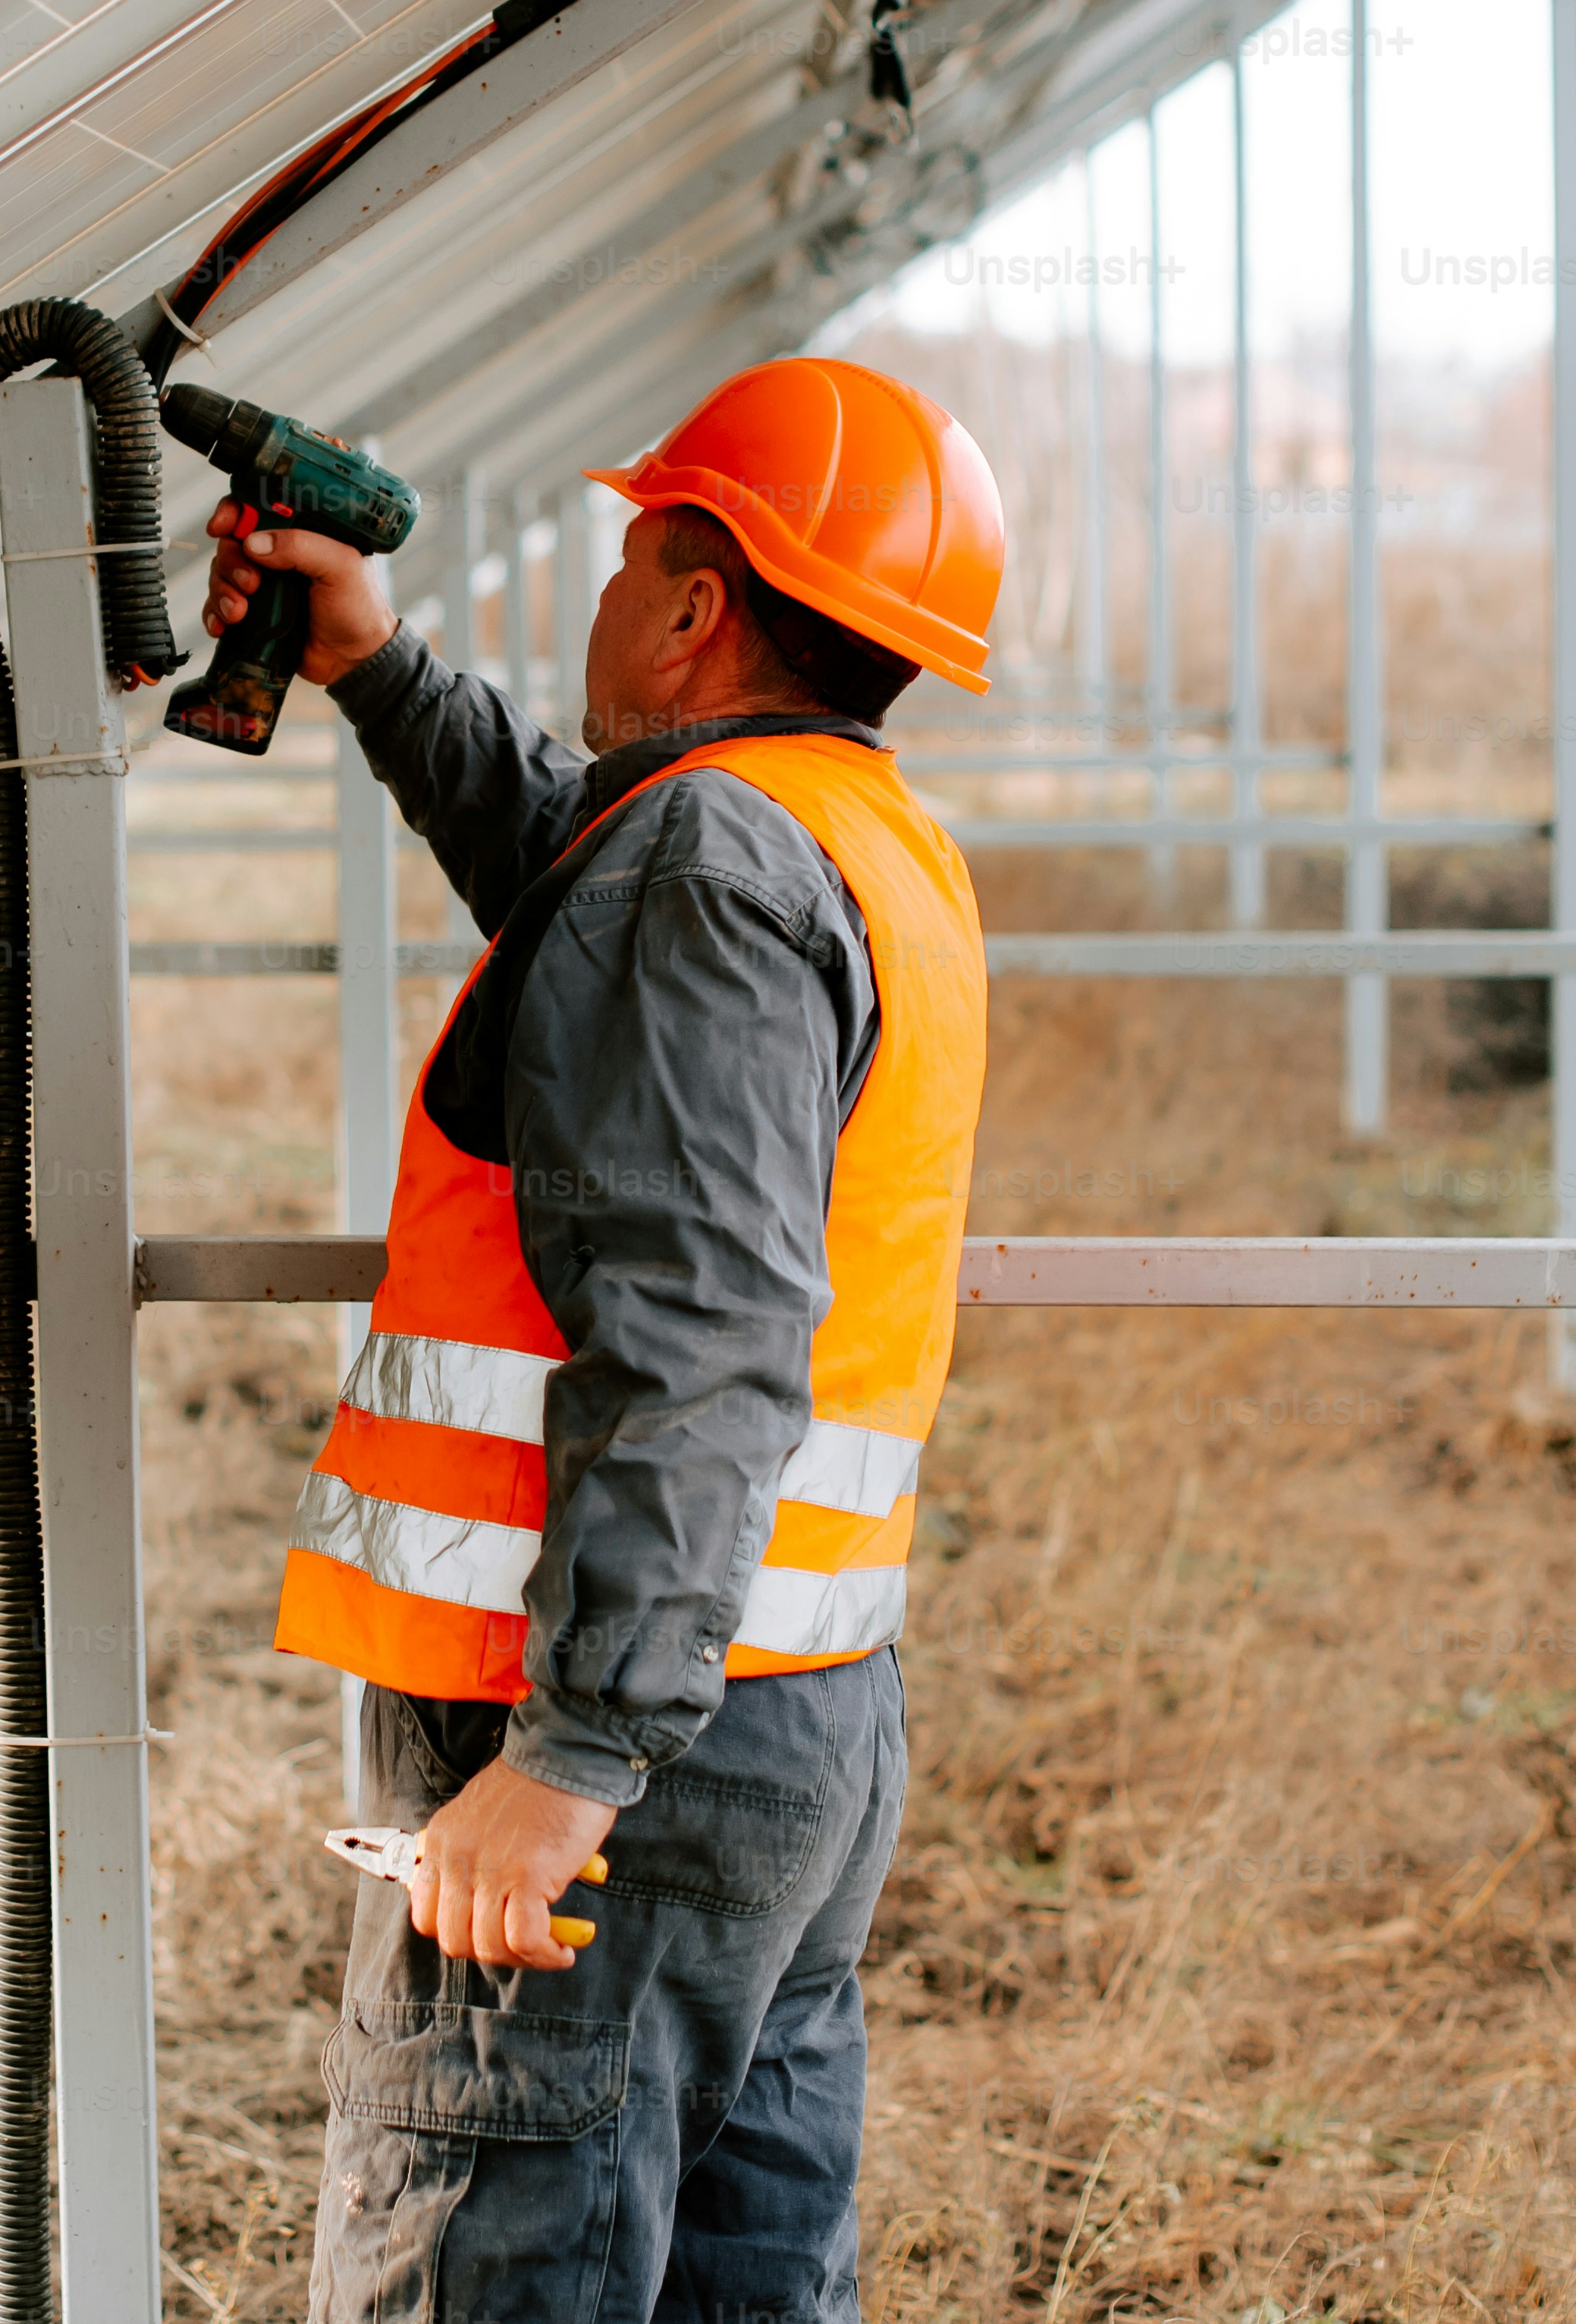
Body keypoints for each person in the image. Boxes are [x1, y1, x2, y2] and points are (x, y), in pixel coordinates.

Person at [204, 357, 1007, 2324]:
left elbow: (707, 1339)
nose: (601, 597)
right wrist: (373, 667)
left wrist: (573, 1758)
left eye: (627, 552)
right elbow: (596, 920)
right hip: (793, 1722)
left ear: (693, 597)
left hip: (618, 1743)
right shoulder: (844, 834)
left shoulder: (712, 865)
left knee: (491, 2271)